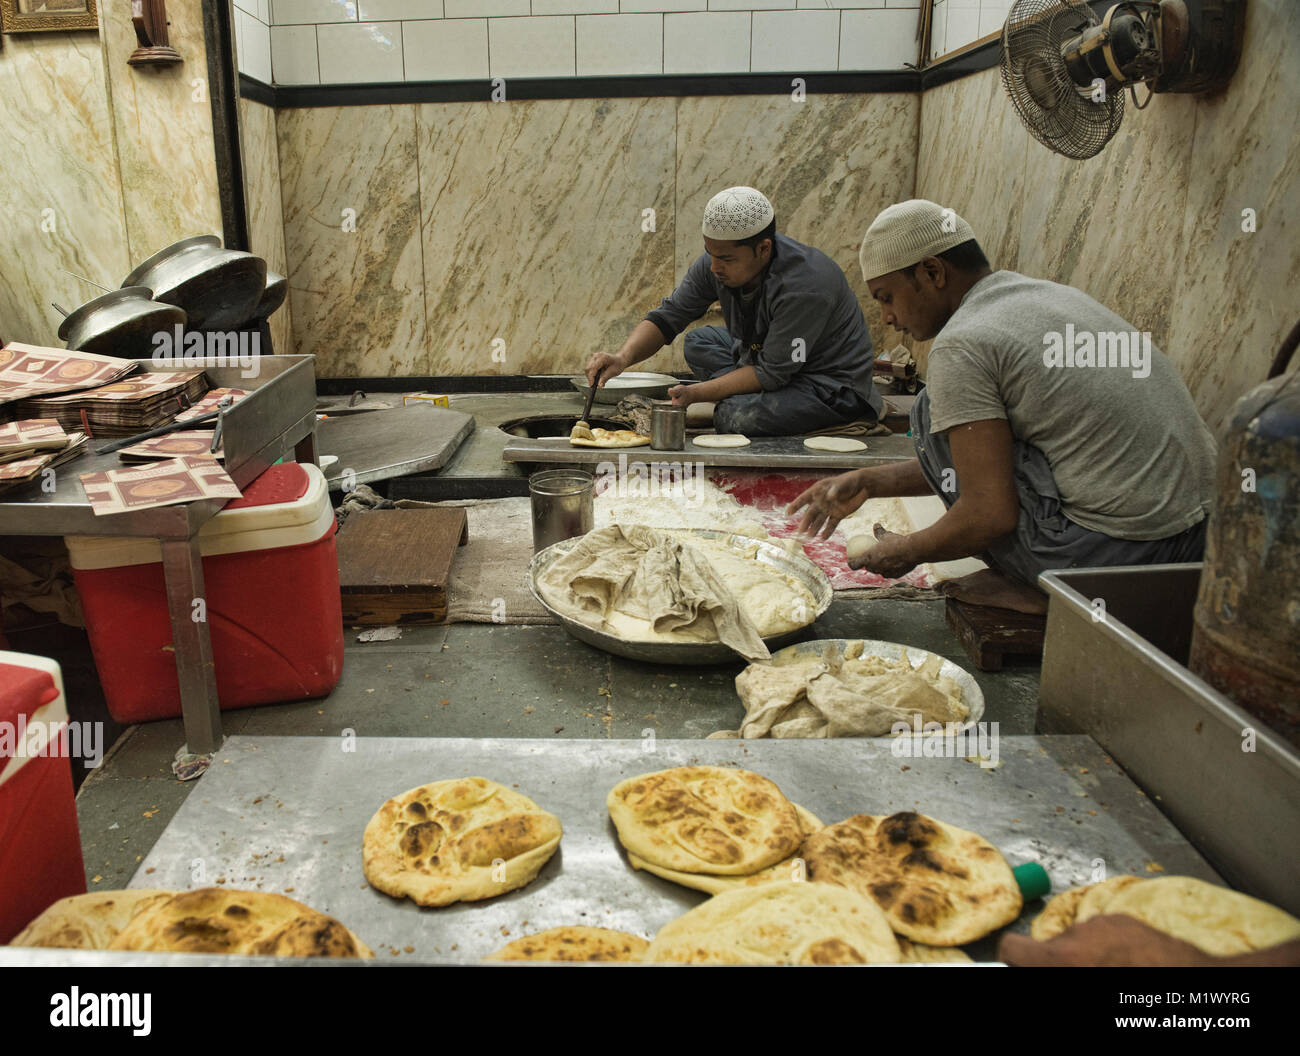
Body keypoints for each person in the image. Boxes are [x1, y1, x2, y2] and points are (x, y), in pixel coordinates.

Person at [787, 199, 1217, 614]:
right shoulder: (1045, 297)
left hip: (1114, 563)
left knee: (927, 410)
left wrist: (908, 551)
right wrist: (872, 481)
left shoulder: (964, 342)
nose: (887, 318)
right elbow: (988, 461)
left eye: (885, 297)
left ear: (932, 271)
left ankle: (1048, 591)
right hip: (1199, 544)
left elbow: (989, 513)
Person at [584, 186, 881, 437]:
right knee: (699, 343)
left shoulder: (805, 286)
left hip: (825, 382)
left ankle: (811, 411)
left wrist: (698, 393)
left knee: (732, 417)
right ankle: (739, 389)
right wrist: (622, 358)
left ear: (763, 249)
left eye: (725, 258)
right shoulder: (716, 262)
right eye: (710, 254)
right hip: (765, 357)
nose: (714, 267)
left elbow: (771, 373)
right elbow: (669, 316)